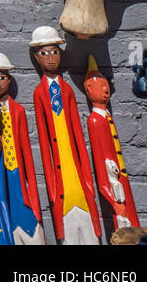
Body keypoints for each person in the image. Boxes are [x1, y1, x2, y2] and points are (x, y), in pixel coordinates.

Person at [30, 27, 100, 244]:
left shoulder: (67, 90)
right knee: (67, 233)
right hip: (59, 182)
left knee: (90, 232)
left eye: (55, 52)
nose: (51, 59)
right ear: (36, 57)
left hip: (78, 177)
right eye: (44, 53)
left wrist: (88, 179)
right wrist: (51, 186)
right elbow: (43, 141)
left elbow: (79, 135)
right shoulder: (39, 94)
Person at [0, 52, 45, 245]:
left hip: (17, 174)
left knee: (27, 222)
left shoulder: (18, 111)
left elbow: (27, 154)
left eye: (2, 77)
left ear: (9, 81)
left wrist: (34, 199)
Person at [83, 55, 139, 232]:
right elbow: (100, 166)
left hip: (123, 181)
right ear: (89, 89)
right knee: (124, 227)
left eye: (106, 84)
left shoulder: (106, 117)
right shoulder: (94, 121)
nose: (106, 89)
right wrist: (112, 200)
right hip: (115, 187)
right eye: (100, 85)